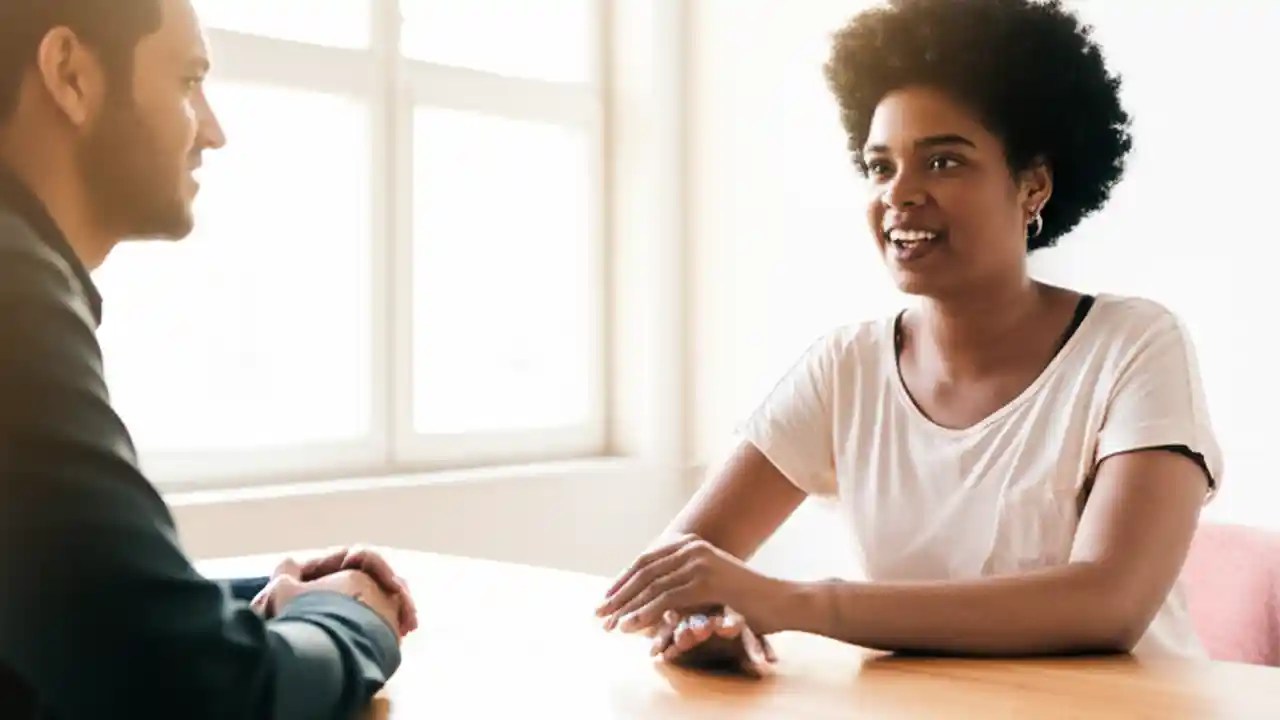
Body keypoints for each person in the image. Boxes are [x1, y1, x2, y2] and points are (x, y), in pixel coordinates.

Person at [597, 0, 1221, 672]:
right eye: (880, 166)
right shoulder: (846, 368)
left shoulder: (1132, 344)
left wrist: (797, 603)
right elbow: (677, 569)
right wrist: (705, 622)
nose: (899, 193)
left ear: (1033, 186)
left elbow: (1108, 603)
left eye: (943, 162)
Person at [0, 1, 418, 717]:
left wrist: (271, 600)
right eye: (188, 80)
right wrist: (354, 621)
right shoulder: (16, 297)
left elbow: (63, 616)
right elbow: (183, 689)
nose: (213, 131)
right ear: (70, 75)